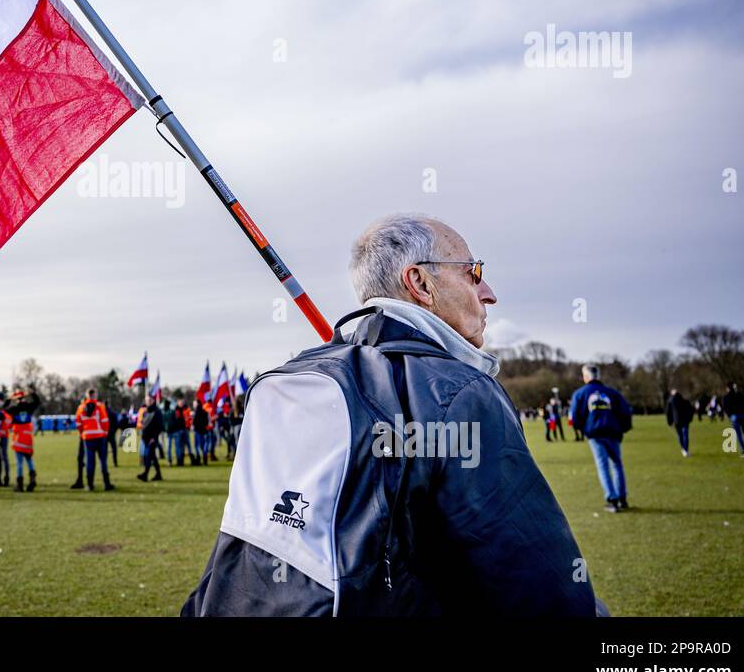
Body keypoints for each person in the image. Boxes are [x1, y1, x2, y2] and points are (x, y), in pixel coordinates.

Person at [183, 213, 601, 616]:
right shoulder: (458, 392)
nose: (488, 291)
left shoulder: (293, 378)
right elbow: (535, 584)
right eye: (472, 271)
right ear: (419, 282)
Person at [569, 364, 633, 512]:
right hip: (612, 433)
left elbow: (576, 416)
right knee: (617, 464)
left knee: (603, 466)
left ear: (586, 377)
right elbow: (625, 412)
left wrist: (584, 429)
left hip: (595, 434)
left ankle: (612, 499)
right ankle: (622, 498)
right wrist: (621, 429)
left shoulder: (580, 394)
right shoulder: (612, 393)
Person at [75, 387, 114, 491]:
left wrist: (82, 433)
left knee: (89, 461)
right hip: (100, 436)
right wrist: (105, 432)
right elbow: (105, 421)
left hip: (87, 437)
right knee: (103, 461)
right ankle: (107, 483)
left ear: (87, 395)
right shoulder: (100, 406)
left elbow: (78, 423)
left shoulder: (81, 407)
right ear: (95, 395)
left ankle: (90, 484)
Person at [3, 388, 40, 491]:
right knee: (29, 459)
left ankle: (20, 484)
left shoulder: (14, 408)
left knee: (19, 462)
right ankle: (32, 479)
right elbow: (37, 402)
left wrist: (8, 399)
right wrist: (32, 393)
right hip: (28, 437)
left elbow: (3, 409)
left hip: (18, 438)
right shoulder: (29, 407)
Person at [722, 383, 744, 457]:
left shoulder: (726, 397)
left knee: (738, 435)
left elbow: (725, 407)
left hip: (734, 416)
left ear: (727, 388)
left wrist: (729, 415)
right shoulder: (740, 395)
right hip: (743, 415)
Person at [137, 396, 164, 482]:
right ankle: (158, 474)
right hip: (145, 438)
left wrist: (154, 438)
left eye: (148, 400)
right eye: (146, 400)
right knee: (153, 457)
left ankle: (145, 474)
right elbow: (144, 424)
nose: (146, 402)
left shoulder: (157, 411)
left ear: (152, 401)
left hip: (152, 439)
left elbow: (160, 426)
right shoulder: (146, 411)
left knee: (149, 456)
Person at [665, 388, 694, 457]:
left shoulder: (670, 400)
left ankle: (684, 450)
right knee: (685, 435)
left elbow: (668, 412)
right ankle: (685, 450)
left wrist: (669, 422)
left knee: (680, 435)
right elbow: (690, 409)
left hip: (677, 421)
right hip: (684, 420)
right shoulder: (683, 400)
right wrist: (690, 418)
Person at [0, 391, 12, 487]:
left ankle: (6, 478)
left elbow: (6, 422)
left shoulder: (4, 409)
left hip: (3, 436)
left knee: (3, 457)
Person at [191, 398, 210, 465]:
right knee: (204, 445)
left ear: (197, 404)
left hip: (198, 431)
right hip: (205, 431)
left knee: (197, 446)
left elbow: (194, 422)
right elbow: (208, 422)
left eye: (194, 404)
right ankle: (205, 459)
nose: (193, 405)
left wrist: (194, 427)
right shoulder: (205, 412)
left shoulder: (196, 412)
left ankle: (198, 459)